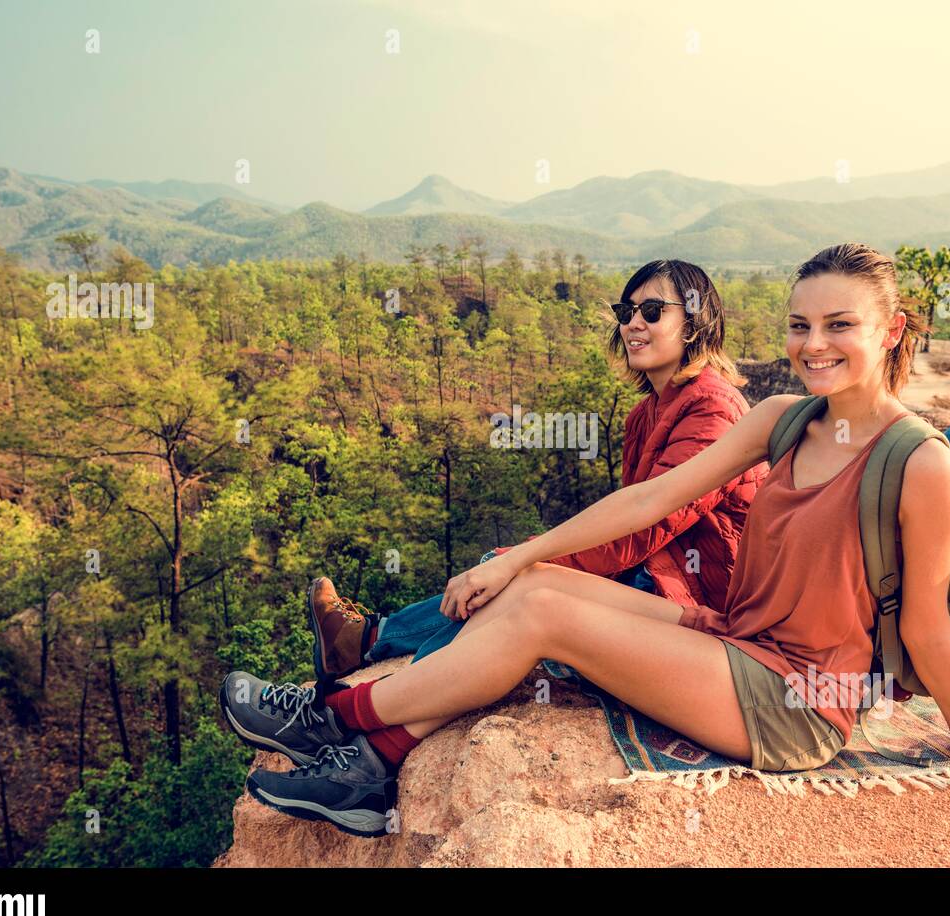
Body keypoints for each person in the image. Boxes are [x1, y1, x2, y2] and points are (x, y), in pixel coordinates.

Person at [232, 243, 950, 838]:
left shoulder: (917, 462)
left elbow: (930, 627)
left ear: (892, 330)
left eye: (840, 325)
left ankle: (333, 716)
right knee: (533, 590)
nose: (813, 343)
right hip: (736, 638)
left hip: (798, 700)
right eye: (800, 324)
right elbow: (647, 499)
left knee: (546, 619)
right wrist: (519, 555)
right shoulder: (781, 419)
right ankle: (370, 775)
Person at [222, 260, 763, 775]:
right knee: (505, 572)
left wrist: (518, 559)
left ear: (695, 322)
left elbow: (641, 527)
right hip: (656, 576)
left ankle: (363, 698)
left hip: (695, 600)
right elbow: (629, 528)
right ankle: (366, 661)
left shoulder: (713, 409)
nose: (633, 325)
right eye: (626, 312)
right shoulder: (649, 411)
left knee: (506, 577)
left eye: (652, 311)